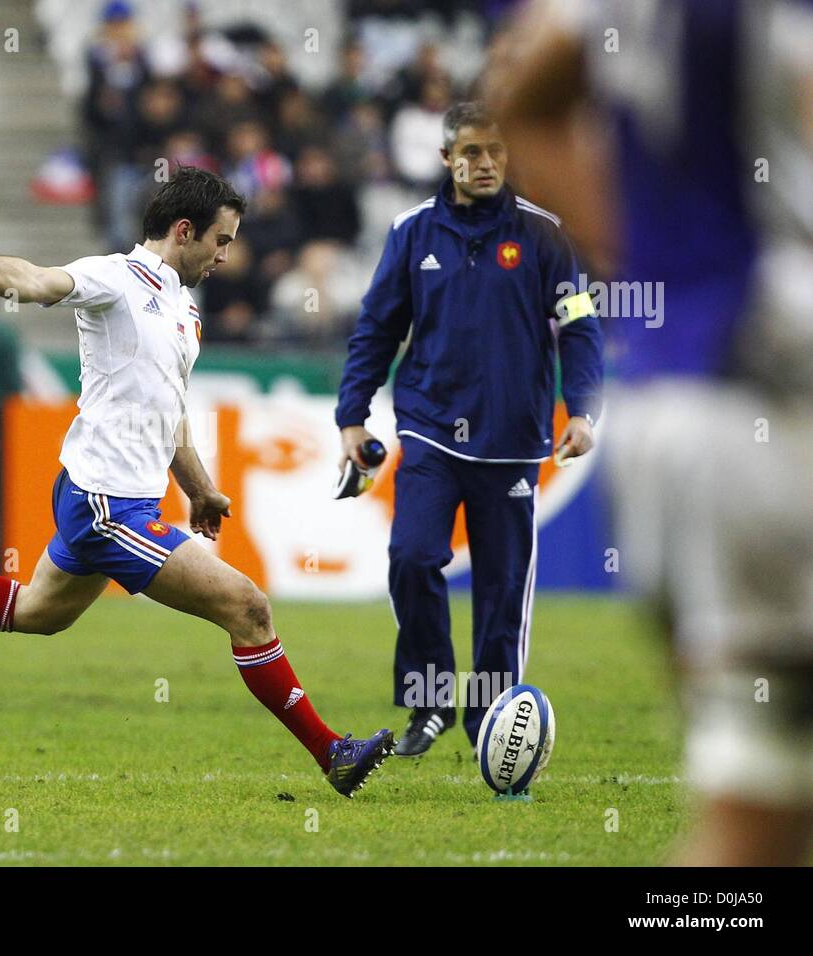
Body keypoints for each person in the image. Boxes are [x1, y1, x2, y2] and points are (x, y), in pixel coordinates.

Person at [0, 167, 395, 797]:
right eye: (221, 241)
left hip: (116, 495)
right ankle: (332, 752)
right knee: (248, 607)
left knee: (37, 611)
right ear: (184, 230)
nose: (228, 254)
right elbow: (32, 281)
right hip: (105, 502)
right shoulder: (116, 278)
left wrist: (197, 488)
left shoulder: (183, 310)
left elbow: (167, 415)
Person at [487, 0, 812, 866]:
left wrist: (657, 267)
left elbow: (521, 93)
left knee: (766, 807)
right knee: (759, 818)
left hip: (684, 394)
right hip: (775, 396)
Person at [335, 101, 604, 757]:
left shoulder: (545, 236)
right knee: (412, 558)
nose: (485, 164)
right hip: (429, 432)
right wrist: (352, 415)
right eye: (472, 153)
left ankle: (491, 722)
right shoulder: (411, 232)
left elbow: (579, 326)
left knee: (501, 590)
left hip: (513, 442)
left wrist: (584, 412)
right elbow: (376, 329)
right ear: (446, 158)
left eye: (496, 153)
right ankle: (429, 703)